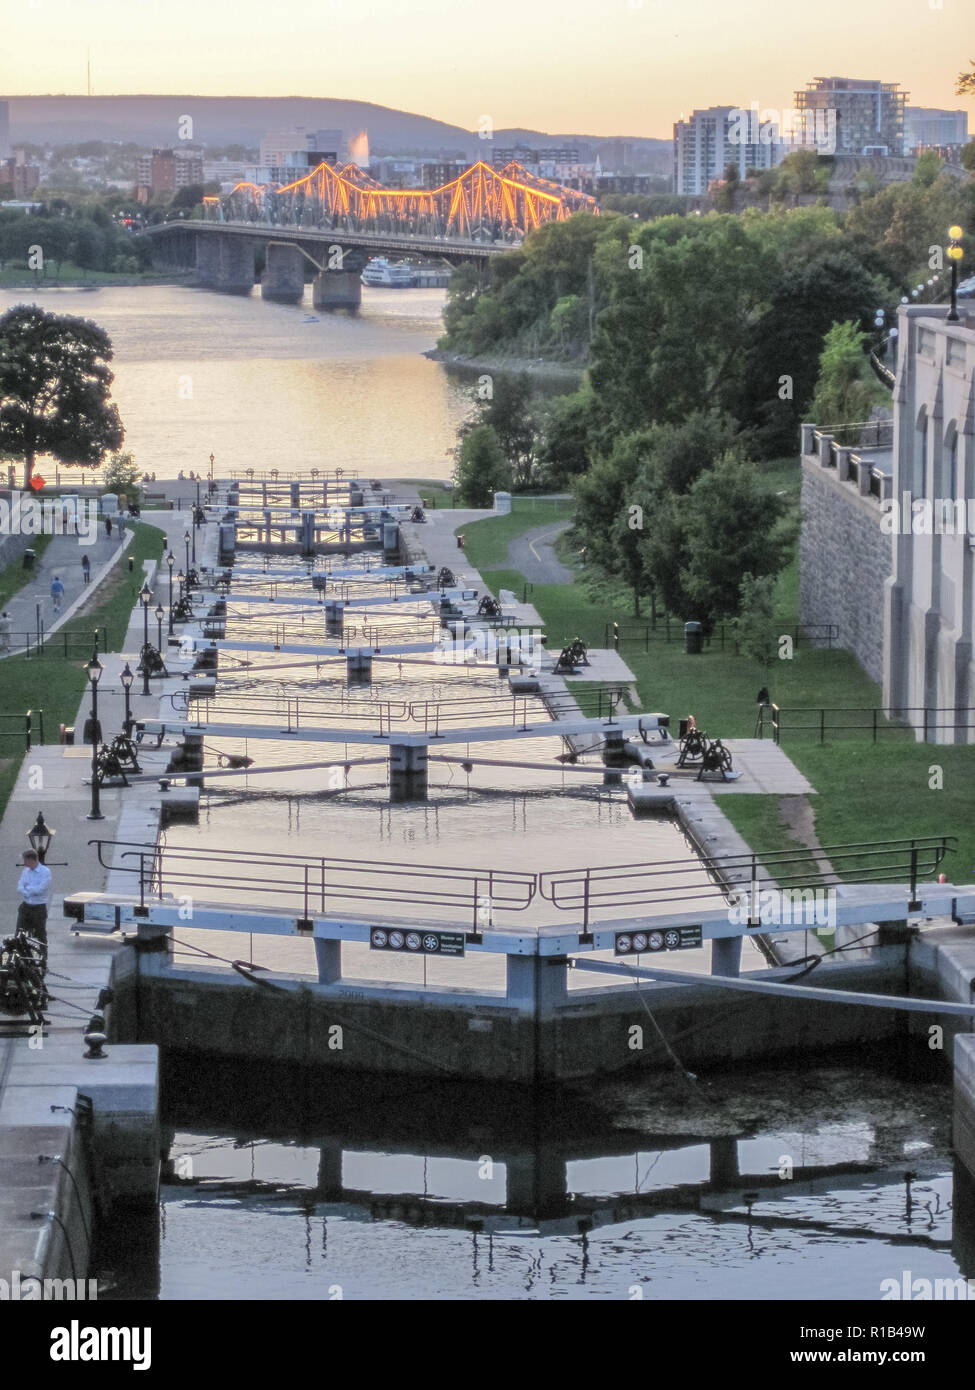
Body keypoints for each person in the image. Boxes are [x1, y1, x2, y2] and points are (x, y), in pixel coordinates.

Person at [16, 849, 52, 973]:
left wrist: (27, 889)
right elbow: (20, 886)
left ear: (31, 859)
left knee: (41, 935)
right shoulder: (25, 871)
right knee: (19, 935)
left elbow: (41, 889)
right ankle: (24, 962)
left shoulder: (45, 872)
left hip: (38, 907)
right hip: (26, 906)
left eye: (25, 860)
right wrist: (28, 890)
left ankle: (43, 962)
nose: (24, 863)